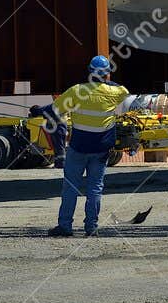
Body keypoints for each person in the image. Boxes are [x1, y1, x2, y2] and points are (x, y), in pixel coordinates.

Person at [44, 55, 130, 237]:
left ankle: (65, 226)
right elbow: (123, 90)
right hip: (101, 150)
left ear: (89, 71)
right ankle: (91, 227)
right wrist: (107, 81)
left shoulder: (77, 91)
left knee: (70, 187)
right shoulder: (113, 93)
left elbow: (55, 109)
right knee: (95, 189)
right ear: (107, 74)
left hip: (78, 148)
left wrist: (38, 110)